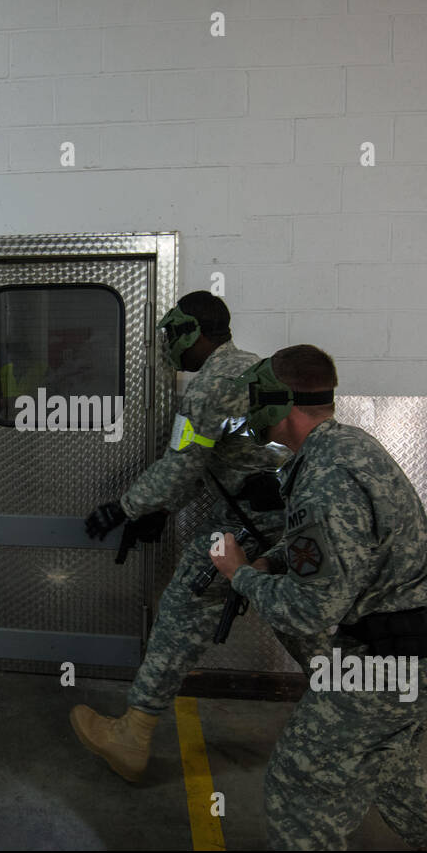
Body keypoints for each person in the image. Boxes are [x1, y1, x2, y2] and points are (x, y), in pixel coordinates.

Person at [209, 344, 427, 850]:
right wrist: (274, 560)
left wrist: (240, 574)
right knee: (385, 762)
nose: (247, 410)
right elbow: (350, 544)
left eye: (255, 397)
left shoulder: (323, 480)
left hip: (388, 667)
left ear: (279, 402)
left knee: (299, 787)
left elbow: (309, 611)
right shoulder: (347, 446)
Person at [74, 292, 326, 783]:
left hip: (243, 530)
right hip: (296, 526)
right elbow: (216, 459)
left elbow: (182, 462)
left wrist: (124, 507)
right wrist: (163, 509)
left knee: (180, 612)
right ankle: (360, 718)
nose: (170, 346)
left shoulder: (207, 388)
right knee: (309, 629)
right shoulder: (257, 369)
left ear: (194, 334)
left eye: (174, 335)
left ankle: (133, 734)